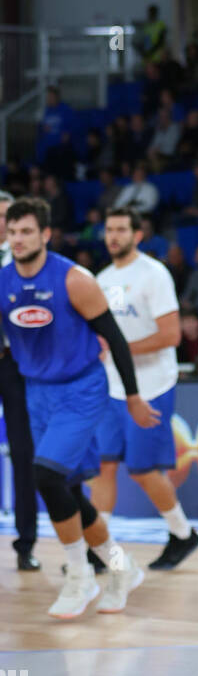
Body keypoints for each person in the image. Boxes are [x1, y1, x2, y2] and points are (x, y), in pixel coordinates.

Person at [0, 197, 158, 617]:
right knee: (66, 490)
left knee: (46, 475)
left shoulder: (75, 280)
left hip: (81, 389)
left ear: (45, 234)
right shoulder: (2, 282)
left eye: (26, 231)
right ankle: (121, 568)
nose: (17, 239)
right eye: (12, 231)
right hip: (38, 392)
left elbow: (117, 340)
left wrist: (133, 396)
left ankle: (79, 575)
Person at [88, 208, 198, 571]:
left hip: (152, 384)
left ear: (138, 234)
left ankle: (183, 534)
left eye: (121, 229)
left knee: (142, 469)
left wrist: (120, 350)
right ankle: (100, 548)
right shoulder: (101, 279)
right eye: (109, 230)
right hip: (110, 386)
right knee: (103, 465)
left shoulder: (154, 274)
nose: (114, 236)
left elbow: (171, 335)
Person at [0, 189, 40, 571]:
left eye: (5, 218)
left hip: (15, 364)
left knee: (24, 452)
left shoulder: (28, 262)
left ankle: (25, 543)